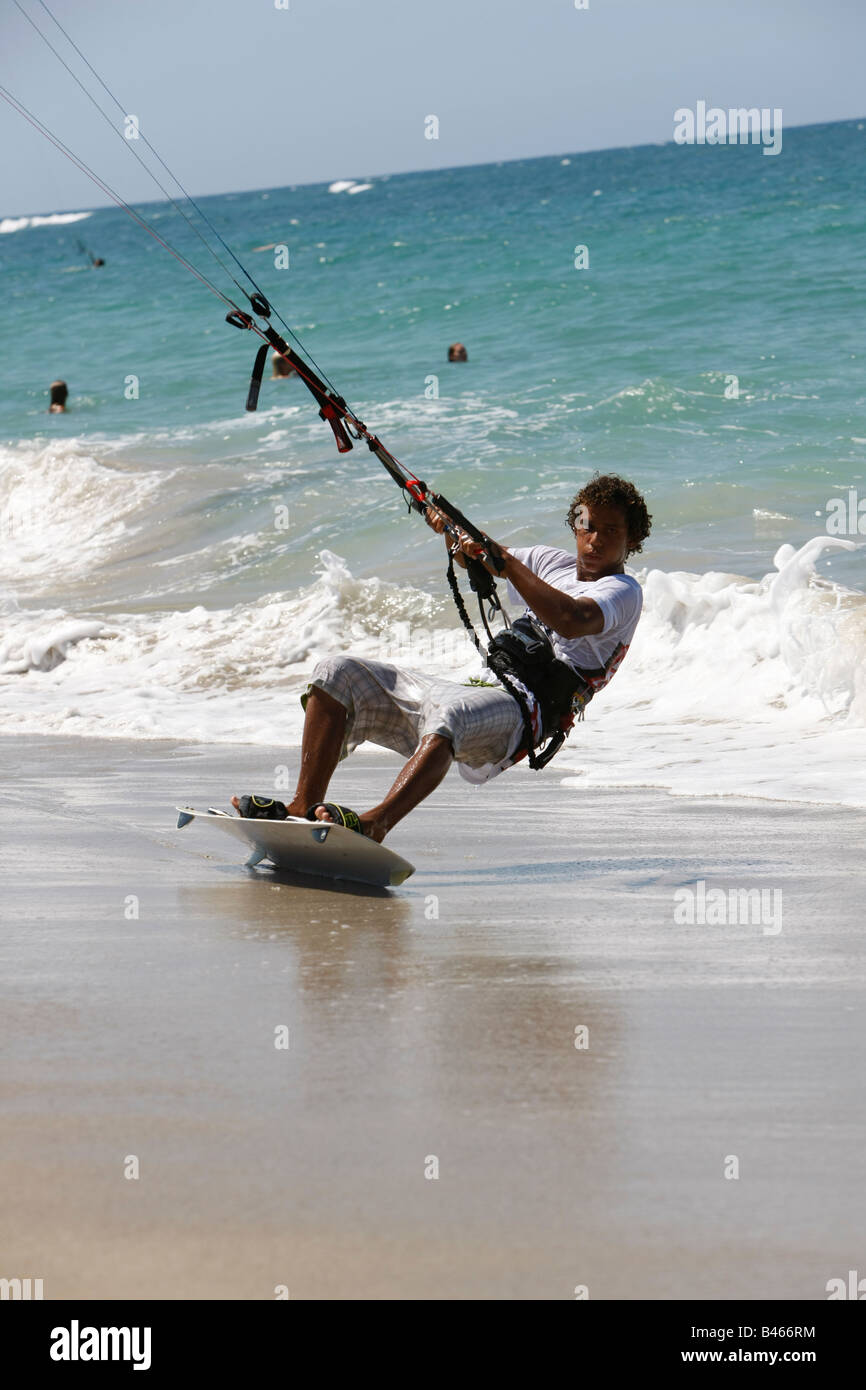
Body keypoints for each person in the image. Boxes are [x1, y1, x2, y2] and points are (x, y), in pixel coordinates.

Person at [233, 473, 652, 842]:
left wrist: (503, 561)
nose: (594, 540)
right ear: (575, 526)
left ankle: (375, 825)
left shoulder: (623, 591)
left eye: (610, 532)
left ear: (631, 540)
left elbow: (571, 618)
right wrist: (453, 535)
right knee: (337, 673)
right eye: (587, 527)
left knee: (452, 713)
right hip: (477, 685)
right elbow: (486, 558)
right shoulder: (547, 561)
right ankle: (302, 805)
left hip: (526, 714)